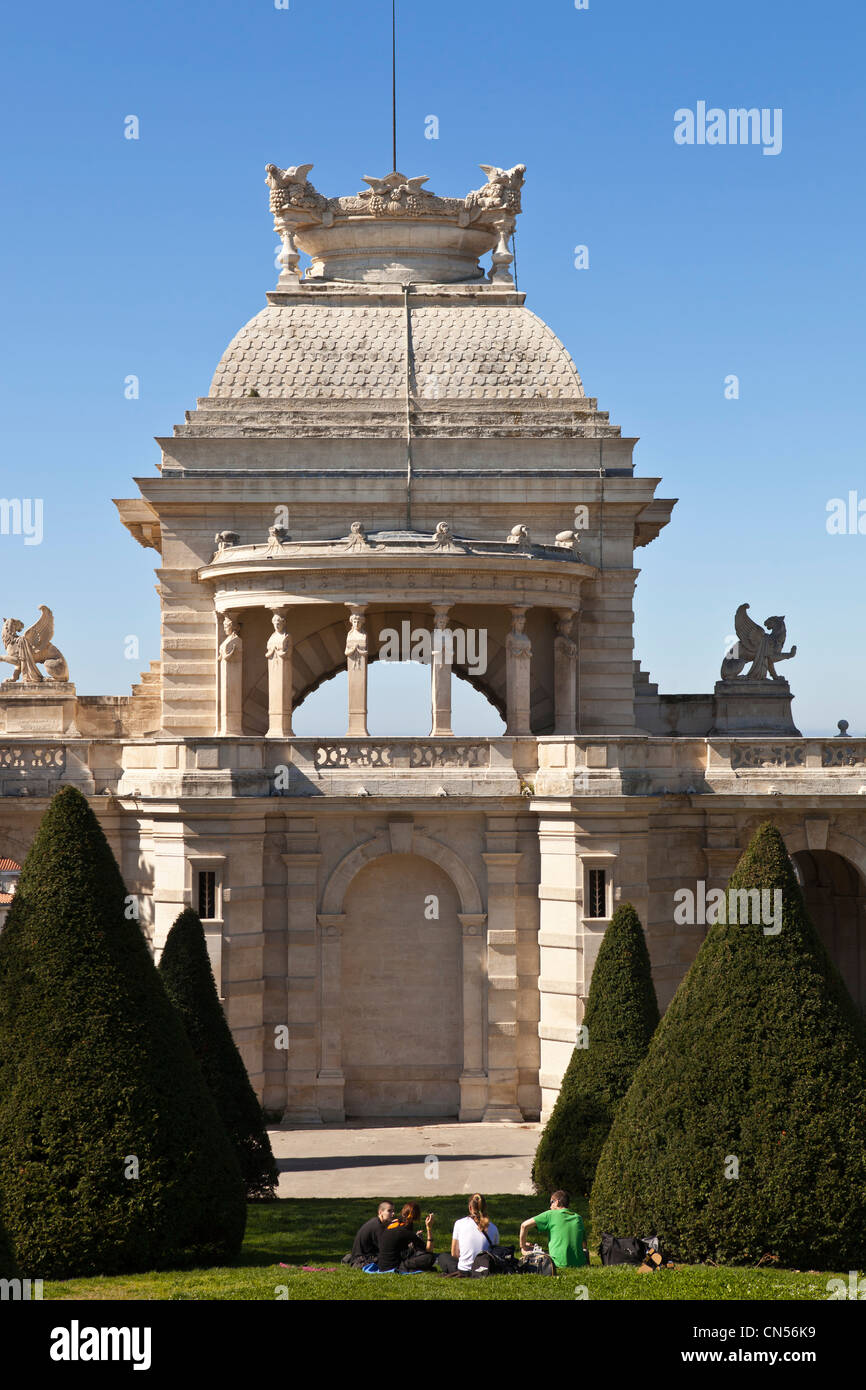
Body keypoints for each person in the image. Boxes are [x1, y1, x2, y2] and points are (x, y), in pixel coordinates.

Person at [519, 1190, 588, 1269]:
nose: (550, 1206)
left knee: (526, 1249)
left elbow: (524, 1226)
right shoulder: (578, 1218)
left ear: (557, 1202)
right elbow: (584, 1245)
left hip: (557, 1263)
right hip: (579, 1263)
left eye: (551, 1202)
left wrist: (523, 1246)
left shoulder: (550, 1214)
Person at [436, 1193, 499, 1276]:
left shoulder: (459, 1223)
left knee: (443, 1257)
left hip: (464, 1270)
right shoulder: (493, 1228)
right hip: (484, 1269)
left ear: (470, 1207)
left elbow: (454, 1253)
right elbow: (494, 1253)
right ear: (485, 1207)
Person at [376, 1203, 436, 1272]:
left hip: (382, 1265)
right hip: (394, 1266)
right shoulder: (406, 1231)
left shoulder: (394, 1223)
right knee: (429, 1257)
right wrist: (429, 1228)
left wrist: (416, 1239)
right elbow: (429, 1250)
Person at [342, 1201, 395, 1268]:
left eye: (393, 1211)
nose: (393, 1213)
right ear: (380, 1212)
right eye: (389, 1211)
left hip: (362, 1257)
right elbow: (385, 1249)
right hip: (361, 1261)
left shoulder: (377, 1222)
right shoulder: (377, 1226)